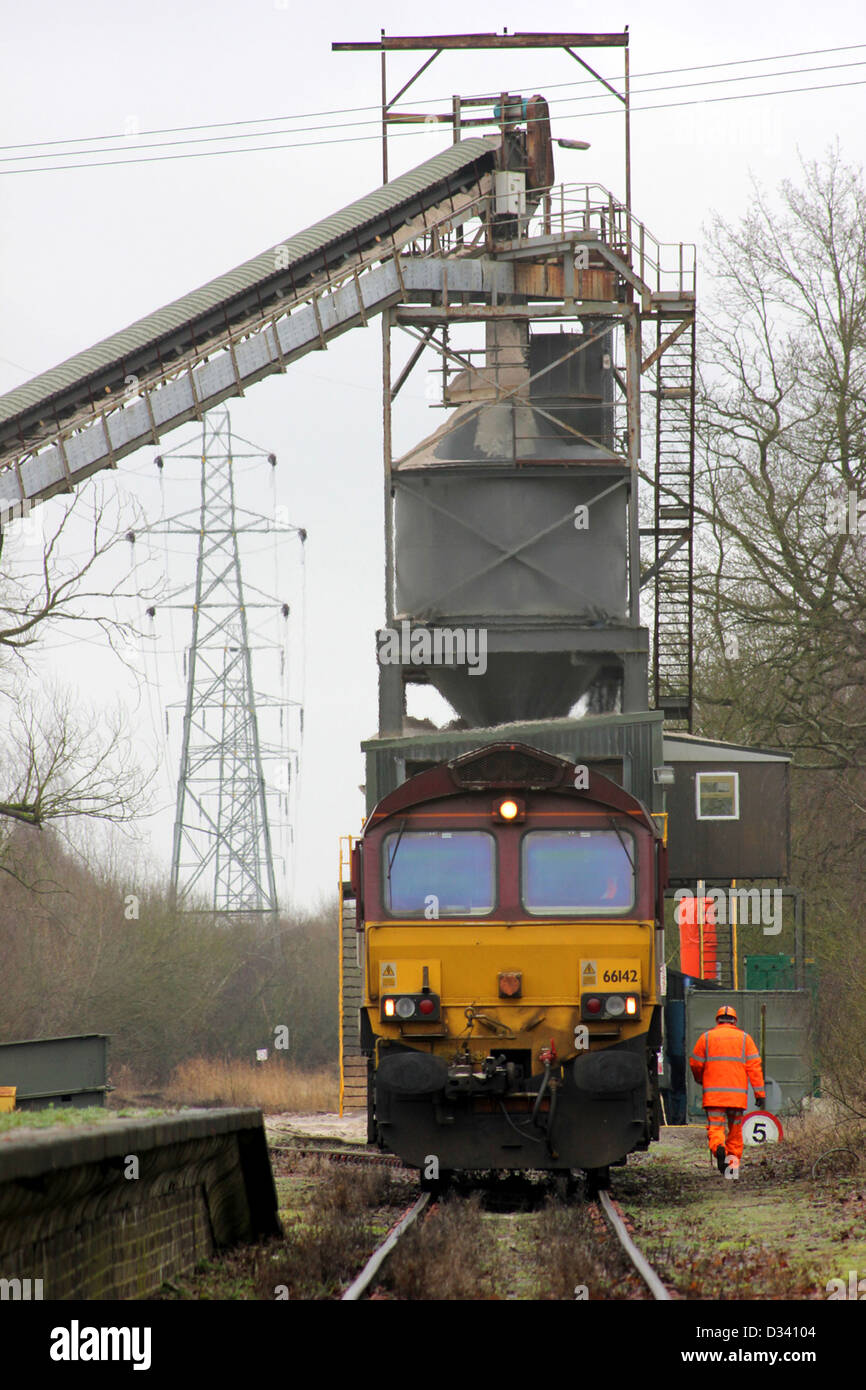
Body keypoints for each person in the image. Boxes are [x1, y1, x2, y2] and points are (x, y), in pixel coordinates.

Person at [689, 1005, 765, 1176]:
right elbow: (754, 1068)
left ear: (717, 1020)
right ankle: (731, 1170)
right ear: (735, 1021)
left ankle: (719, 1148)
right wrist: (760, 1093)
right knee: (735, 1133)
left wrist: (700, 1078)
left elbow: (695, 1063)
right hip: (737, 1098)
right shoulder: (745, 1039)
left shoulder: (706, 1038)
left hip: (714, 1096)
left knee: (716, 1128)